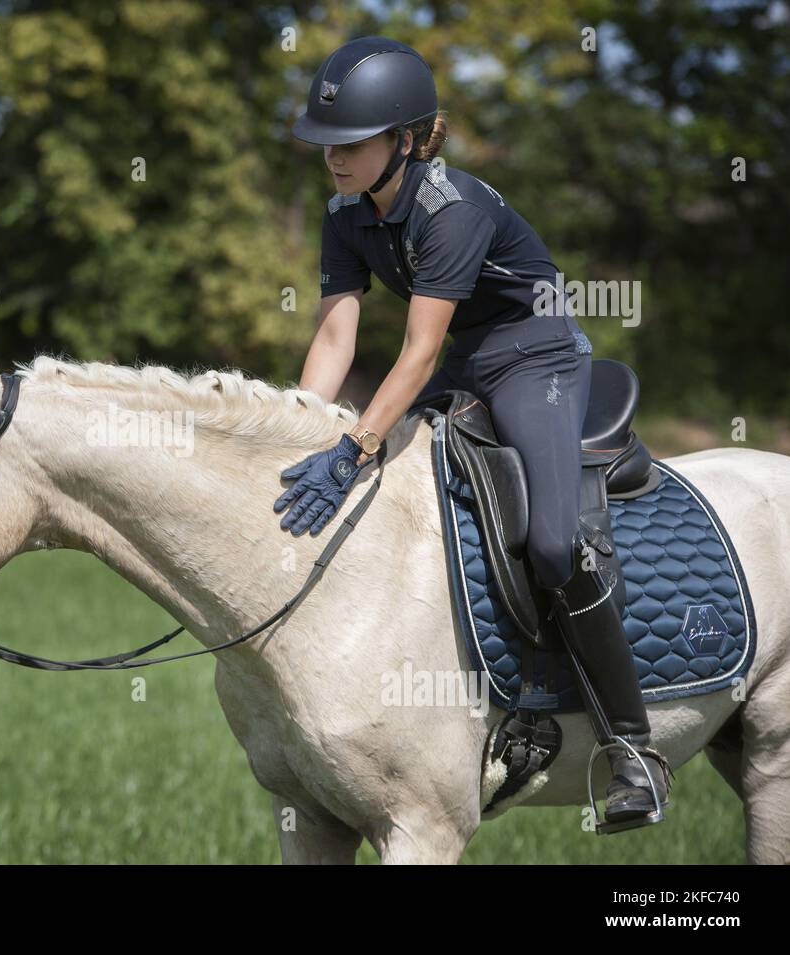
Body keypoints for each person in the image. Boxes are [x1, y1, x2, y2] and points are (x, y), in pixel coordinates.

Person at [274, 35, 672, 829]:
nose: (336, 161)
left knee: (556, 544)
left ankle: (634, 748)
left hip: (538, 356)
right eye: (327, 148)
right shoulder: (344, 216)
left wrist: (354, 446)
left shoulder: (451, 212)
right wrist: (297, 435)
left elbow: (416, 355)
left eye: (352, 145)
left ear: (407, 139)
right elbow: (334, 342)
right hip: (467, 357)